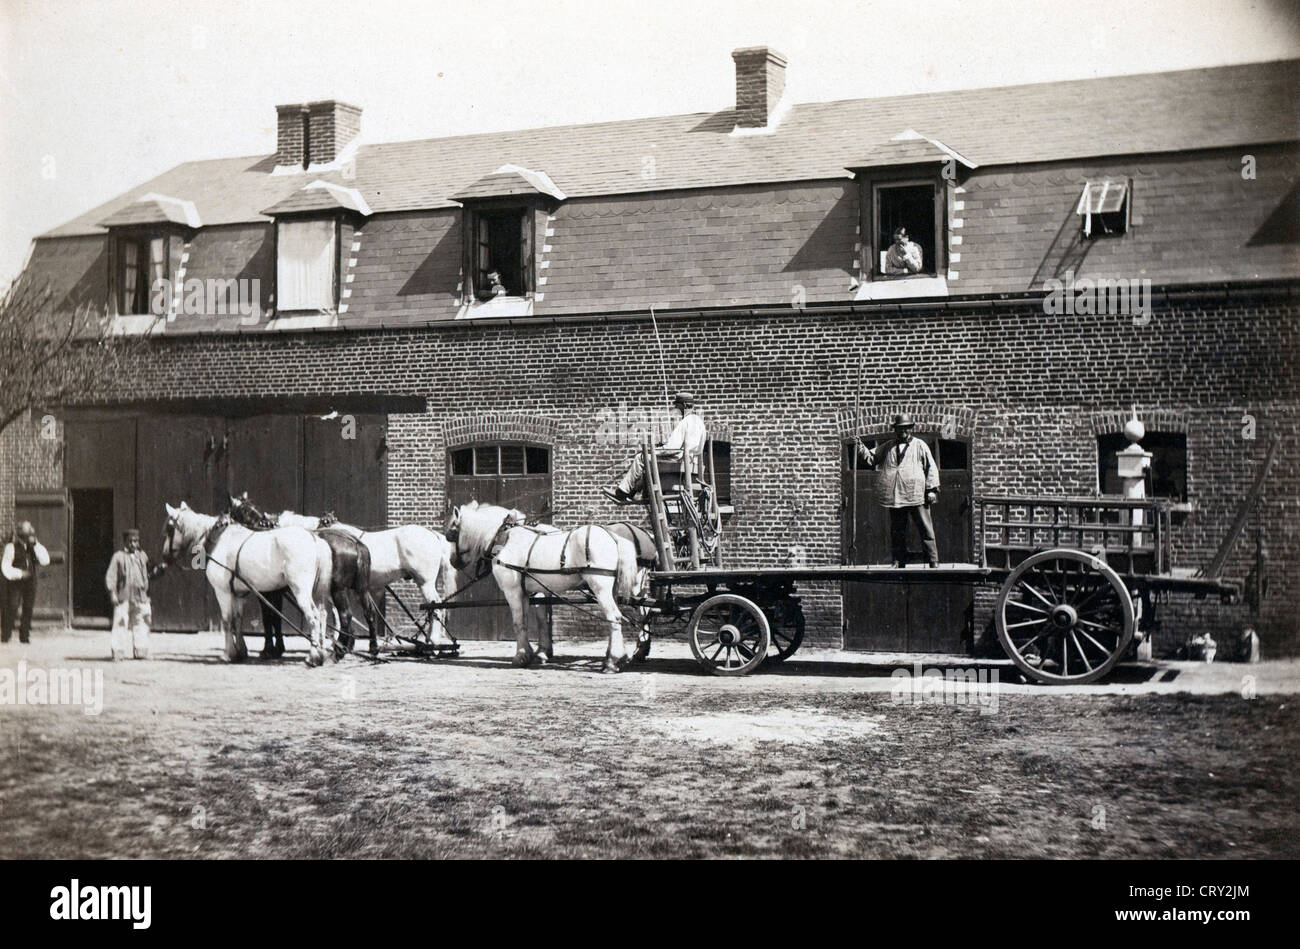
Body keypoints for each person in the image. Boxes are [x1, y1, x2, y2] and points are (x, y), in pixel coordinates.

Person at [857, 414, 940, 567]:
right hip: (896, 495)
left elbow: (931, 467)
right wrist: (860, 447)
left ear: (910, 429)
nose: (903, 431)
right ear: (896, 430)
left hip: (917, 494)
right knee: (897, 530)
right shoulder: (888, 446)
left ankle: (932, 561)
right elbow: (872, 458)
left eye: (906, 428)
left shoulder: (920, 445)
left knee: (925, 528)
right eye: (900, 428)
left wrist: (932, 489)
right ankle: (898, 560)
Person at [603, 392, 706, 502]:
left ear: (685, 405)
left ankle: (622, 492)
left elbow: (671, 448)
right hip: (692, 461)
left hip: (678, 458)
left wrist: (654, 451)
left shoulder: (685, 422)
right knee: (648, 461)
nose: (676, 409)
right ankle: (633, 492)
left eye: (678, 406)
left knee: (641, 458)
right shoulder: (700, 422)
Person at [105, 528, 159, 660]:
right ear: (125, 542)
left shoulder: (143, 556)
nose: (133, 544)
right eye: (130, 541)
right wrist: (113, 594)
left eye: (135, 541)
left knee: (142, 622)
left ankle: (141, 651)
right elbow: (111, 577)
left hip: (141, 597)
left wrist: (157, 569)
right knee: (120, 622)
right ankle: (118, 652)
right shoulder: (118, 557)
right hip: (124, 596)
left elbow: (150, 572)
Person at [1, 521, 50, 644]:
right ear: (20, 533)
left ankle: (24, 635)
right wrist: (20, 573)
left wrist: (36, 544)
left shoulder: (34, 547)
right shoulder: (11, 547)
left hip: (30, 582)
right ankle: (6, 634)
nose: (30, 534)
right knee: (12, 606)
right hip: (16, 581)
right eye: (27, 531)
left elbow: (45, 560)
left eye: (30, 532)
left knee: (28, 607)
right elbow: (5, 567)